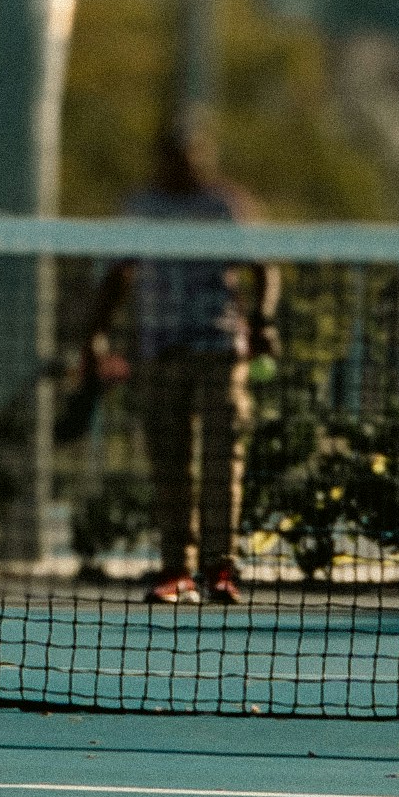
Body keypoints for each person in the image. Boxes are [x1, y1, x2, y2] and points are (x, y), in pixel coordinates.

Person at [76, 120, 277, 606]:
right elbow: (116, 276)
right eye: (176, 156)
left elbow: (264, 268)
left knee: (221, 459)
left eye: (195, 156)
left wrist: (263, 321)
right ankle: (176, 569)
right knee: (168, 464)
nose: (186, 165)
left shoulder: (224, 205)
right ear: (161, 158)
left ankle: (220, 568)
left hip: (219, 348)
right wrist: (94, 337)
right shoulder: (139, 209)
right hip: (158, 352)